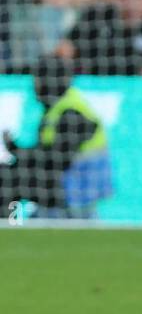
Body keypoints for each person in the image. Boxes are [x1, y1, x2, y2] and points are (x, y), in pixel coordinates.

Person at [0, 55, 113, 218]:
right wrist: (16, 149)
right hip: (66, 181)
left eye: (38, 80)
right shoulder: (58, 107)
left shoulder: (72, 112)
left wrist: (17, 152)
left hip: (77, 187)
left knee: (7, 179)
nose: (34, 87)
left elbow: (56, 159)